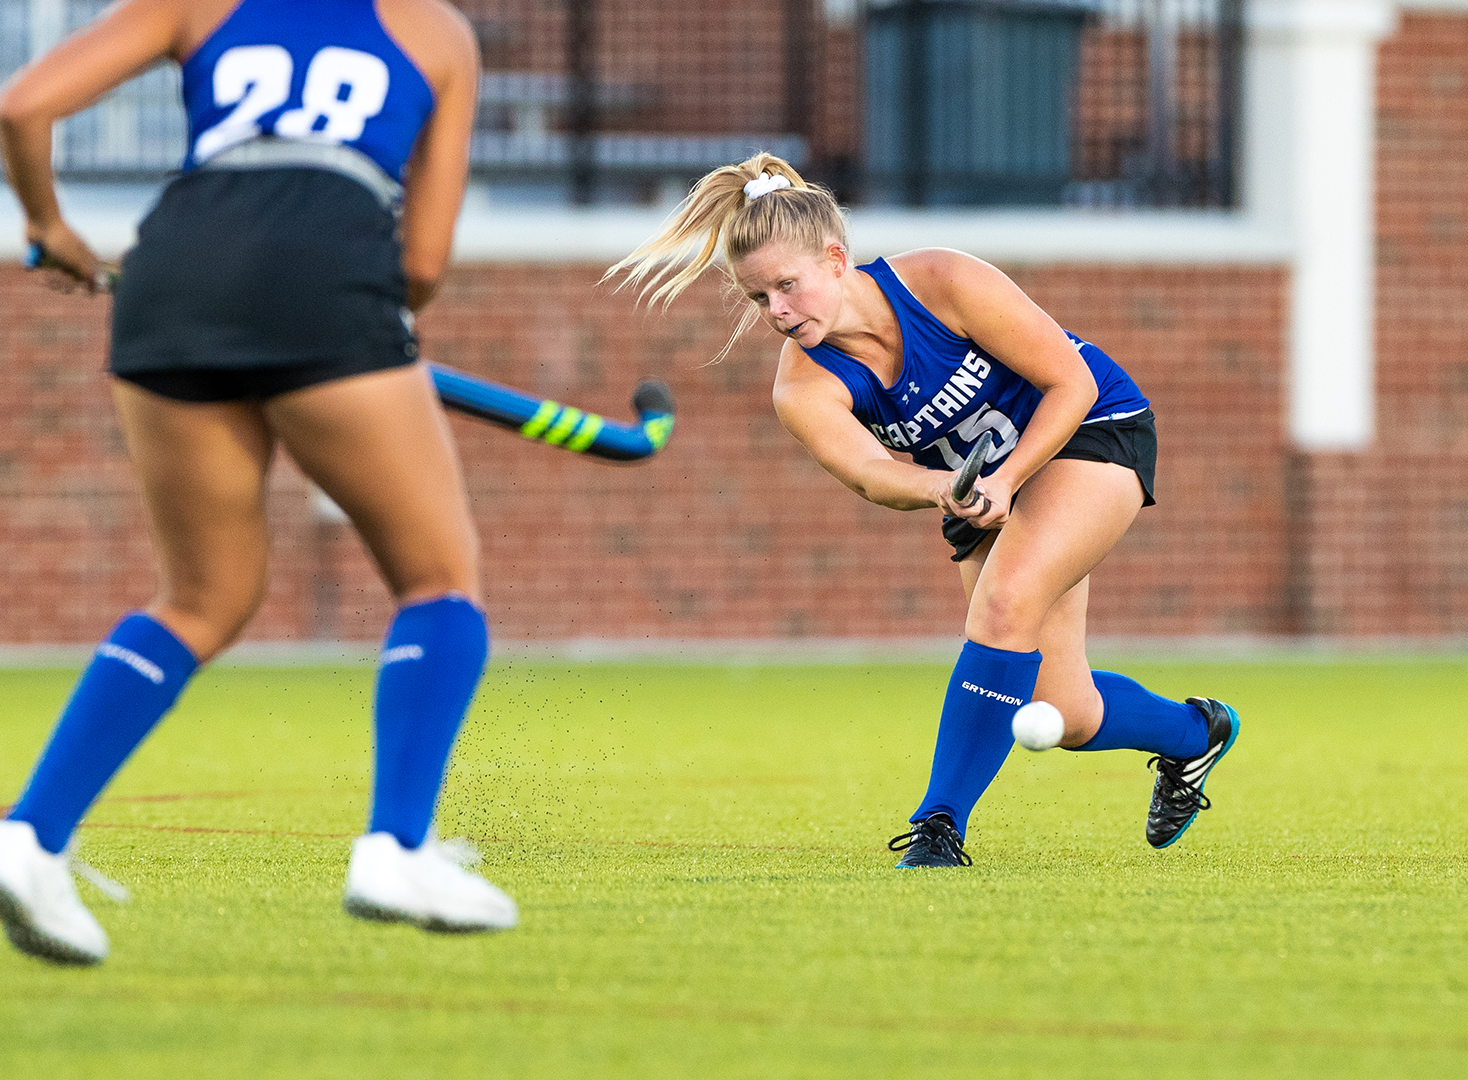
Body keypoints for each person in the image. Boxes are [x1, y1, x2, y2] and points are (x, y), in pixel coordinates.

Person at [0, 0, 515, 965]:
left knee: (201, 598)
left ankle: (31, 836)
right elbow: (424, 264)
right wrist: (343, 312)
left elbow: (23, 106)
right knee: (437, 580)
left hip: (172, 271)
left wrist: (48, 224)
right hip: (328, 271)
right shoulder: (435, 31)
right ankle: (398, 846)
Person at [610, 154, 1242, 868]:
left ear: (836, 259)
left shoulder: (941, 282)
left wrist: (1006, 478)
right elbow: (872, 475)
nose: (778, 312)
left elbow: (1069, 382)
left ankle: (938, 825)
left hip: (1092, 427)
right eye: (759, 299)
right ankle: (1197, 735)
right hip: (977, 486)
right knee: (1064, 712)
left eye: (787, 285)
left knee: (1003, 606)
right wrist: (945, 489)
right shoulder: (803, 388)